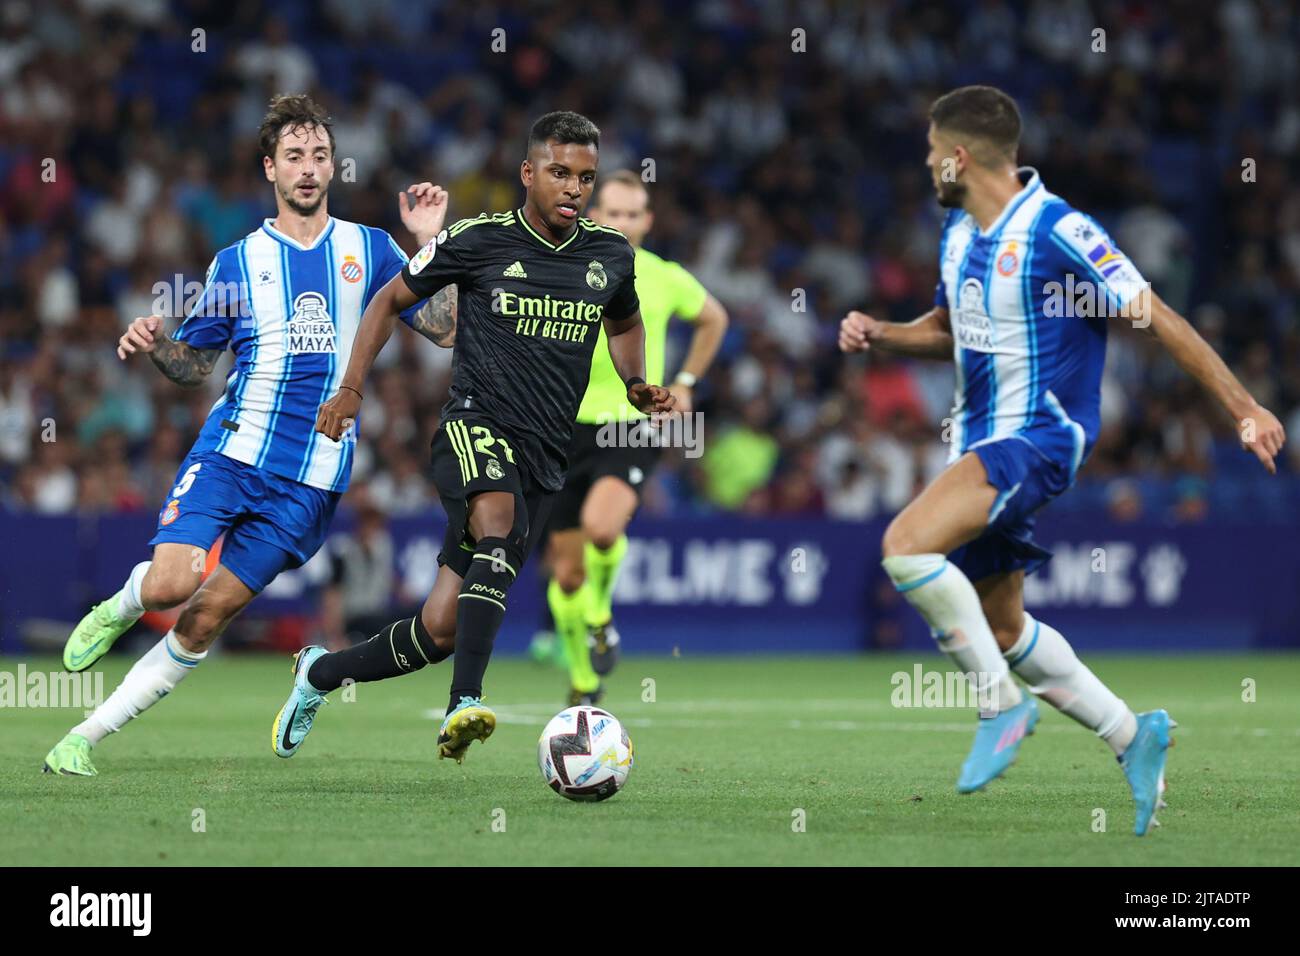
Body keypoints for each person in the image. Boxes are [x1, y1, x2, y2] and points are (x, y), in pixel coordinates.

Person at [839, 85, 1285, 835]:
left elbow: (1159, 317)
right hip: (976, 440)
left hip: (1040, 437)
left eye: (929, 150)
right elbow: (955, 326)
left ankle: (998, 706)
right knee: (1005, 627)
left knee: (904, 547)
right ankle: (1131, 734)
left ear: (957, 155)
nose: (923, 163)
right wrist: (882, 332)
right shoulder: (956, 228)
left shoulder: (1059, 229)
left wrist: (1244, 407)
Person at [42, 94, 455, 776]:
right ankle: (121, 603)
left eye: (320, 155)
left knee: (205, 619)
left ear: (333, 166)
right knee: (173, 582)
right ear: (270, 168)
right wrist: (155, 342)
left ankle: (83, 735)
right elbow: (193, 365)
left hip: (313, 482)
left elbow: (443, 328)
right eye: (294, 156)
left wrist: (428, 242)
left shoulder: (371, 249)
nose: (309, 168)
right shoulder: (238, 262)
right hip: (233, 452)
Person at [290, 111, 674, 765]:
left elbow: (625, 322)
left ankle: (318, 675)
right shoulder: (478, 240)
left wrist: (636, 382)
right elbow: (387, 300)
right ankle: (463, 704)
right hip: (475, 424)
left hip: (547, 454)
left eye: (584, 176)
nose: (573, 187)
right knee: (497, 522)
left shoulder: (608, 255)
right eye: (559, 172)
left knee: (439, 628)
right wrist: (351, 389)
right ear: (529, 173)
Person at [544, 169, 728, 704]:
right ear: (594, 214)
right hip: (559, 428)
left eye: (632, 214)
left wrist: (686, 383)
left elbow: (714, 319)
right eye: (613, 212)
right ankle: (582, 678)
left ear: (647, 221)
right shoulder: (563, 266)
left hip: (630, 423)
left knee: (603, 528)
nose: (622, 222)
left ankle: (602, 616)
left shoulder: (665, 276)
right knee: (567, 574)